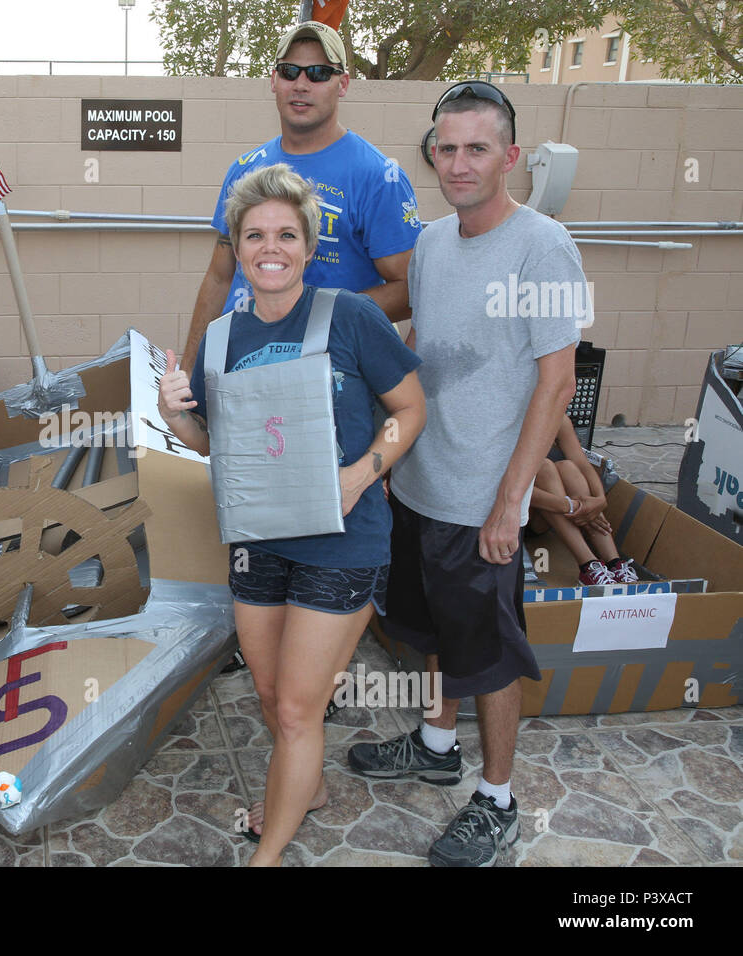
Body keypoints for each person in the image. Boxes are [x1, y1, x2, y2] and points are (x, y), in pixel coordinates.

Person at [158, 163, 425, 866]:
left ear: (309, 246)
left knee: (300, 710)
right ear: (238, 249)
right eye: (254, 235)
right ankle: (309, 791)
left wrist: (362, 472)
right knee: (276, 697)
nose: (269, 247)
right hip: (259, 540)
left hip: (342, 540)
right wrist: (173, 416)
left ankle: (268, 853)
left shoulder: (353, 317)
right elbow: (217, 446)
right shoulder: (221, 338)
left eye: (285, 234)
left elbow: (411, 409)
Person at [347, 83, 583, 867]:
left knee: (489, 655)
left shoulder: (544, 245)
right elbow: (422, 343)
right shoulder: (436, 244)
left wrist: (511, 502)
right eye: (444, 148)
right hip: (421, 483)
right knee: (438, 633)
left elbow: (557, 380)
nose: (457, 163)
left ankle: (498, 800)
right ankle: (437, 743)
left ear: (510, 156)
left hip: (484, 496)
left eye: (476, 148)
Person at [181, 19, 421, 373]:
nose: (302, 84)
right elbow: (219, 277)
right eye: (290, 71)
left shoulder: (378, 177)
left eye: (319, 73)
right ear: (274, 81)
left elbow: (410, 291)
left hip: (334, 375)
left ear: (343, 84)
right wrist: (188, 369)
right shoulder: (245, 169)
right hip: (243, 370)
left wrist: (313, 315)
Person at [529, 416, 638, 585]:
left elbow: (582, 463)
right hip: (516, 516)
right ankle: (587, 565)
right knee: (544, 467)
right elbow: (505, 486)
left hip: (551, 515)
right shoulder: (507, 416)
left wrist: (599, 500)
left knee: (569, 468)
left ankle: (614, 562)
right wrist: (570, 505)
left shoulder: (557, 417)